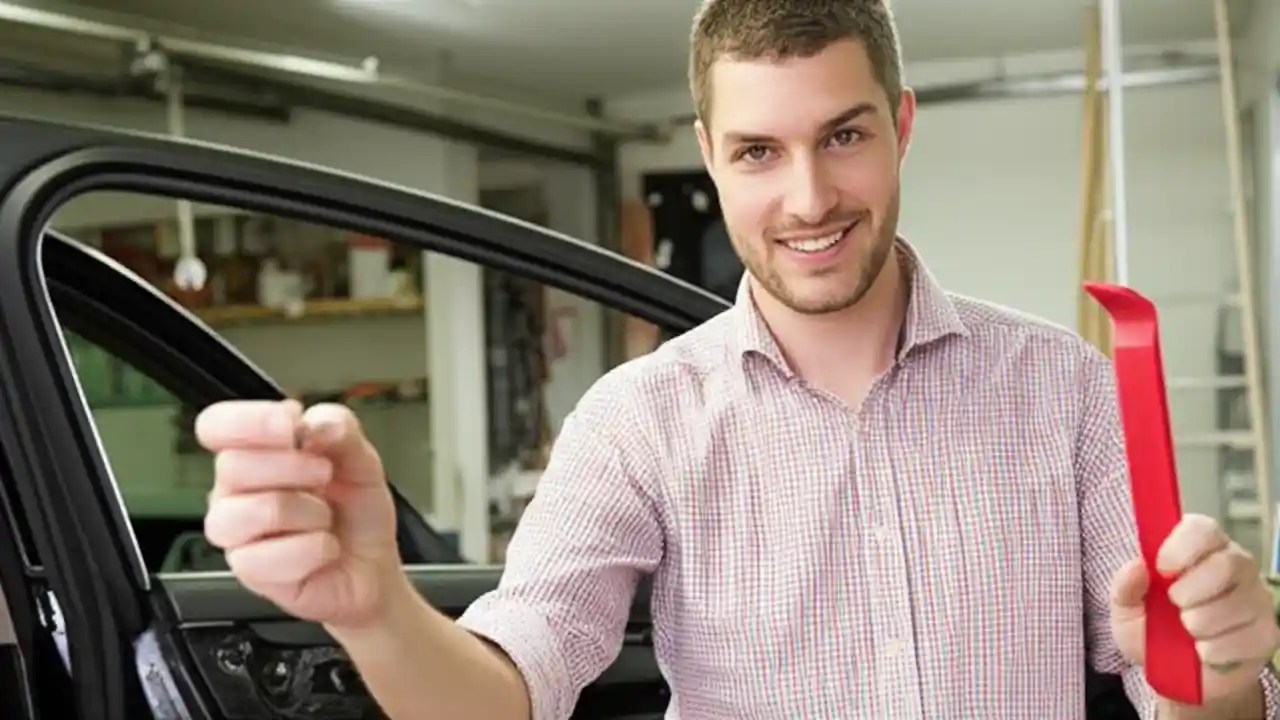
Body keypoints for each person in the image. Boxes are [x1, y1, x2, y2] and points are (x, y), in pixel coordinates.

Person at [195, 1, 1280, 718]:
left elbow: (1182, 695)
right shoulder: (639, 421)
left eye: (843, 136)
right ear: (709, 154)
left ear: (901, 126)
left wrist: (1219, 672)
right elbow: (510, 685)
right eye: (760, 151)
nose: (807, 199)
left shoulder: (1063, 387)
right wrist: (374, 607)